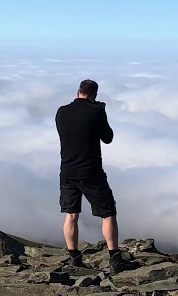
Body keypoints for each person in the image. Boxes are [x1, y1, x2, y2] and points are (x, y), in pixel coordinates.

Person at [55, 79, 129, 273]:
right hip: (90, 171)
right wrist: (100, 111)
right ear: (94, 94)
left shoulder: (61, 112)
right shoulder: (96, 111)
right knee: (108, 213)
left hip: (67, 171)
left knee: (71, 214)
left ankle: (74, 258)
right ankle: (115, 259)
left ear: (78, 91)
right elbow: (108, 138)